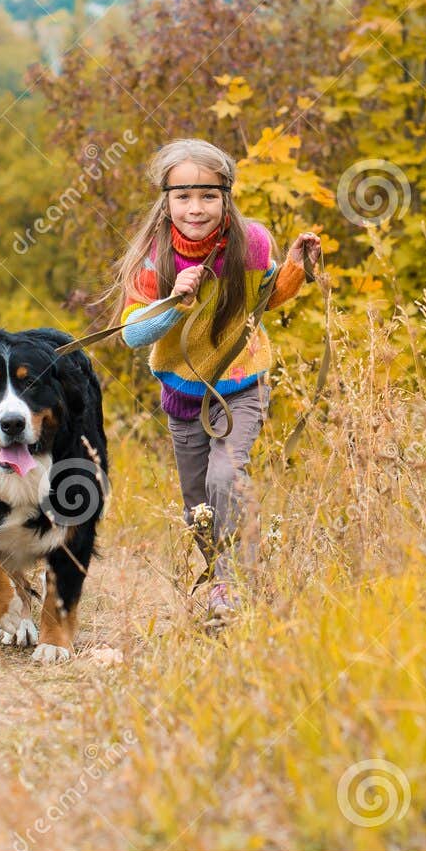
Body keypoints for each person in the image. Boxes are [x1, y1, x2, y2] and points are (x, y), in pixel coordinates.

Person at [106, 138, 321, 626]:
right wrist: (172, 301)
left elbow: (267, 300)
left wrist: (294, 269)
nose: (196, 208)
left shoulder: (252, 242)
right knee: (198, 506)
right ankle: (222, 576)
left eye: (208, 195)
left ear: (226, 195)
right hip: (183, 393)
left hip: (241, 383)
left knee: (226, 477)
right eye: (183, 196)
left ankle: (232, 584)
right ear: (166, 200)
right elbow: (133, 335)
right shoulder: (152, 257)